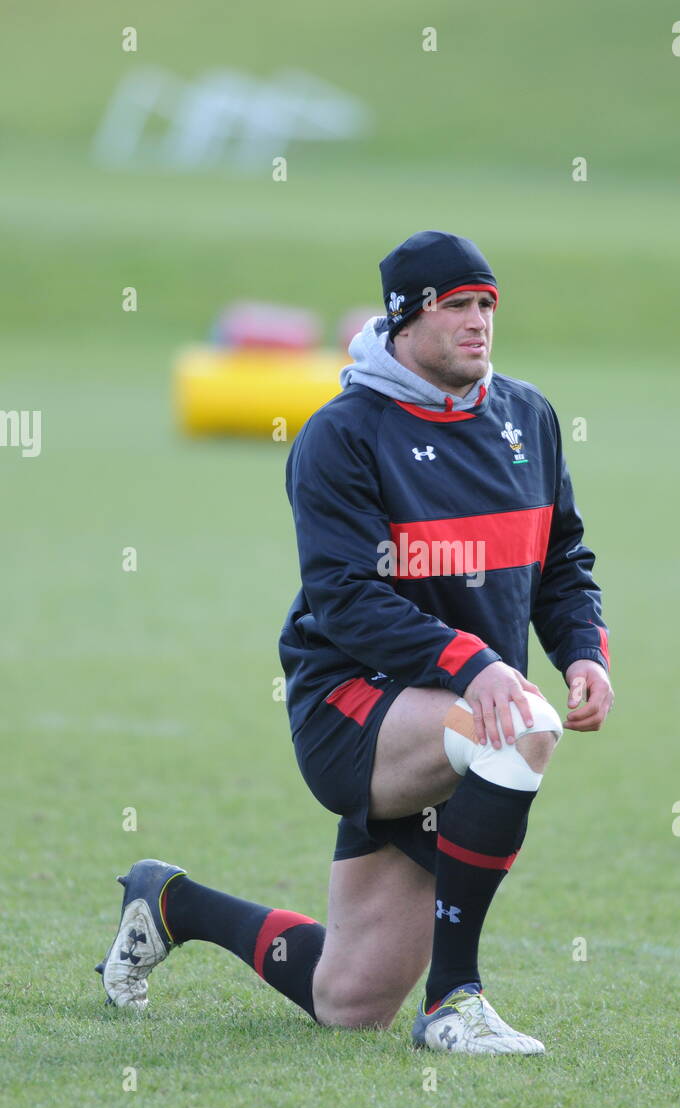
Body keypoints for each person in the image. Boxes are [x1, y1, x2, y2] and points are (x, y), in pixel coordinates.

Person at [96, 230, 613, 1055]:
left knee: (351, 1000)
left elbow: (561, 562)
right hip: (353, 710)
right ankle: (455, 1003)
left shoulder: (529, 416)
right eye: (457, 306)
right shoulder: (343, 434)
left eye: (487, 305)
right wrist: (474, 662)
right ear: (407, 318)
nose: (479, 322)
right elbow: (345, 598)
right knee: (519, 724)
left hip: (453, 716)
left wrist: (582, 647)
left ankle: (169, 903)